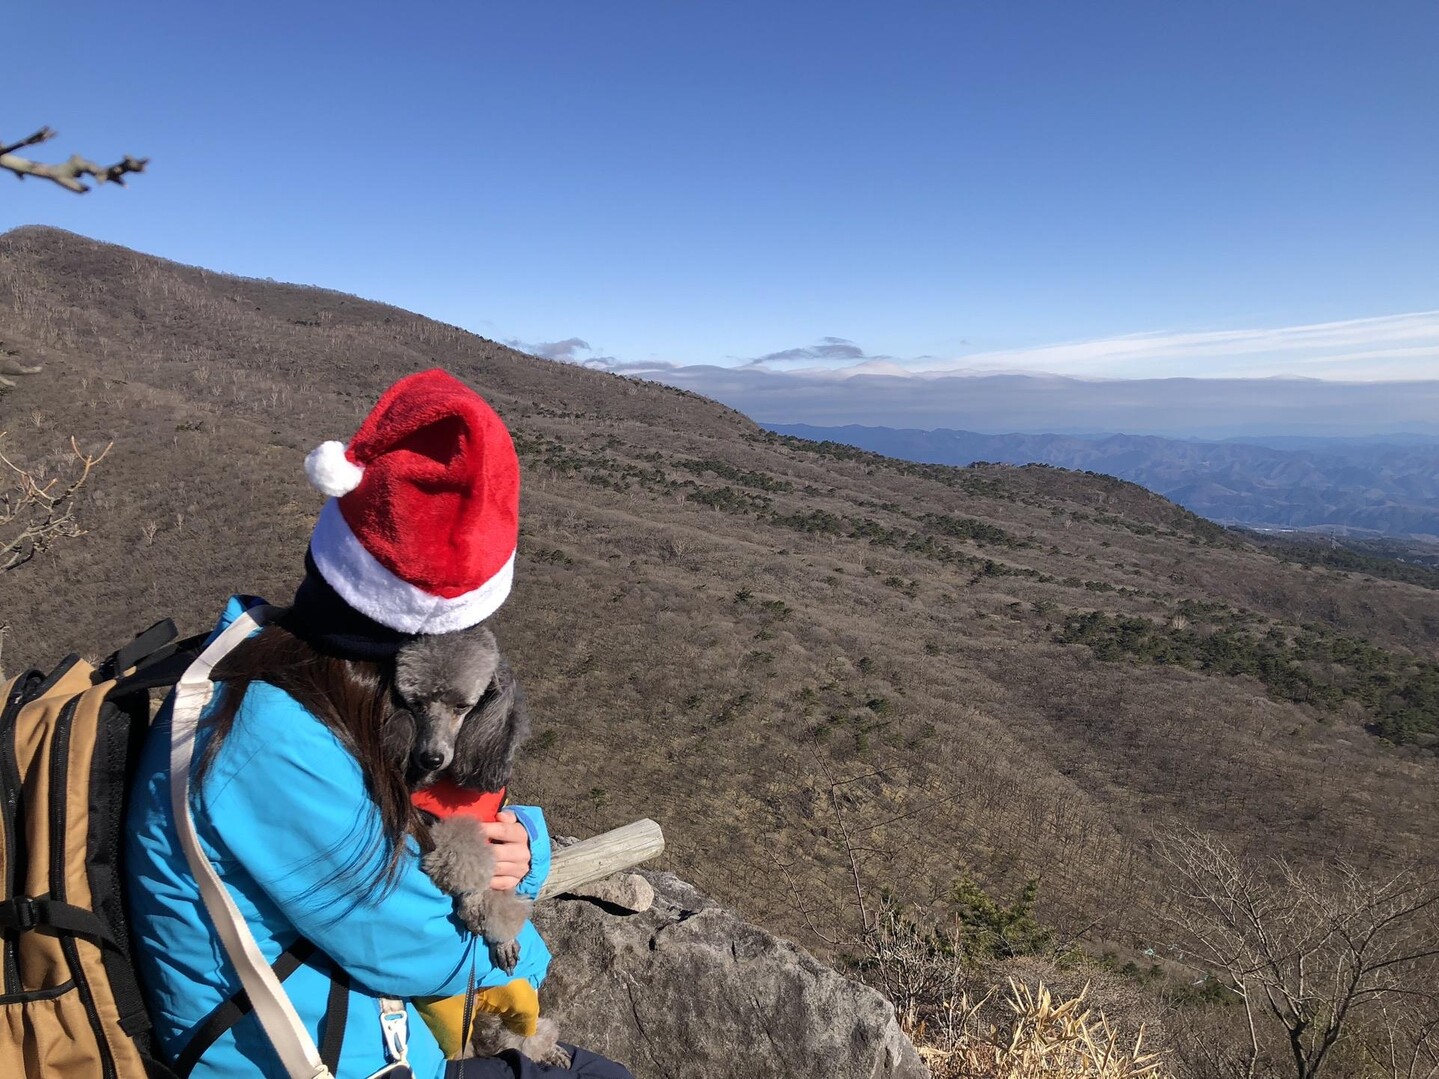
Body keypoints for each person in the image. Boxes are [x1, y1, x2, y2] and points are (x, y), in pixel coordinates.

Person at [125, 369, 634, 1079]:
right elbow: (424, 949)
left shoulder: (272, 665)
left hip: (349, 1034)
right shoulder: (271, 744)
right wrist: (529, 869)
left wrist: (514, 837)